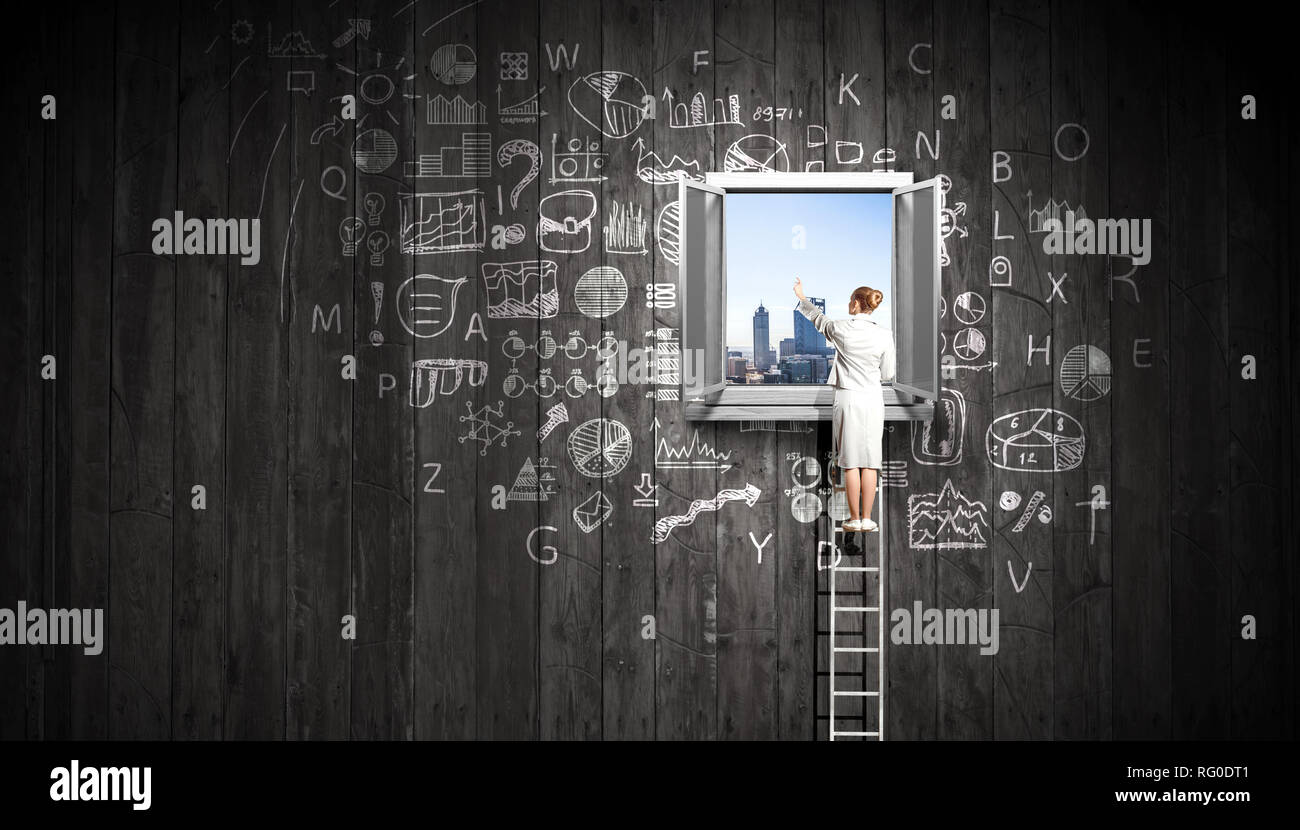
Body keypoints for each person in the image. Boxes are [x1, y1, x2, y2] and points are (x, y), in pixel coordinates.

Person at [793, 278, 896, 532]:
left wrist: (802, 298)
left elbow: (819, 320)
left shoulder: (841, 329)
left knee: (850, 461)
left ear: (857, 304)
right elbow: (888, 373)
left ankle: (854, 518)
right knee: (871, 461)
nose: (849, 304)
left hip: (848, 398)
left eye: (851, 300)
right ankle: (868, 518)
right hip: (873, 399)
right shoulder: (884, 334)